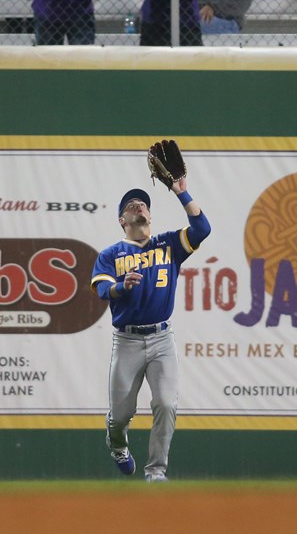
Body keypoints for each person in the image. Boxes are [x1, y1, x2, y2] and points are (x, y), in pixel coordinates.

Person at [90, 174, 212, 481]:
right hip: (127, 341)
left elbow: (202, 229)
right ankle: (117, 443)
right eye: (131, 204)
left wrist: (182, 193)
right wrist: (121, 286)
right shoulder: (111, 254)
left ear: (150, 215)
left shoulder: (168, 244)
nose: (138, 205)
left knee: (166, 403)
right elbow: (101, 290)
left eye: (142, 202)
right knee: (120, 415)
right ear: (122, 220)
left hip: (161, 339)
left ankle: (156, 471)